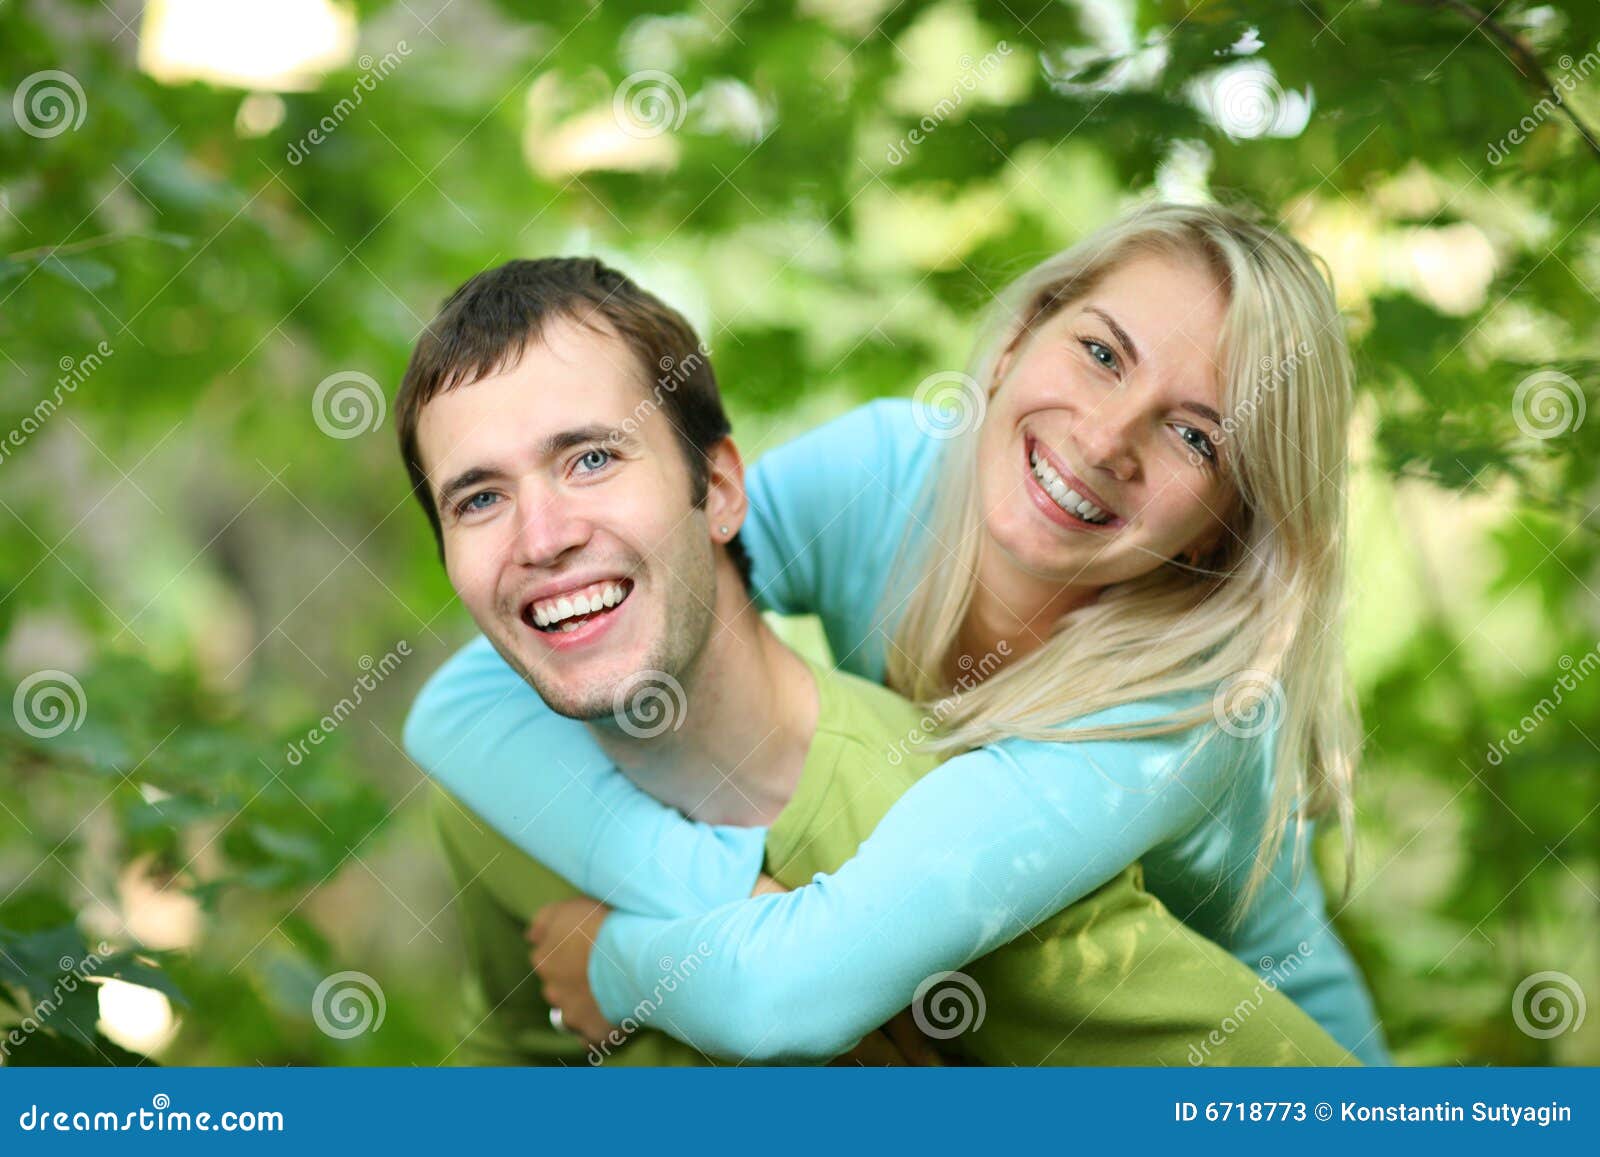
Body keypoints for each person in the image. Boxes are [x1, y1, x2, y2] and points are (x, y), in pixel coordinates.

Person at [403, 201, 1388, 1064]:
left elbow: (798, 986)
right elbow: (469, 696)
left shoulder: (1189, 712)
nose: (1100, 439)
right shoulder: (886, 476)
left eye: (1193, 435)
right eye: (1099, 352)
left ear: (1232, 520)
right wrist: (721, 883)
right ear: (1015, 342)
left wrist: (608, 958)